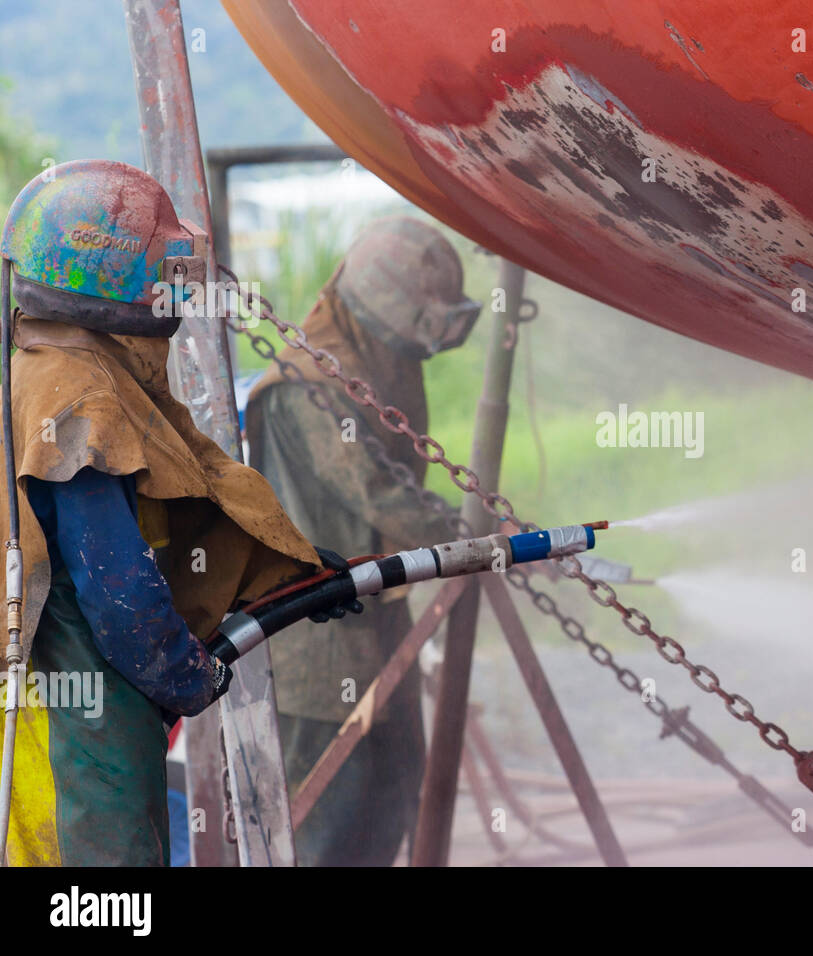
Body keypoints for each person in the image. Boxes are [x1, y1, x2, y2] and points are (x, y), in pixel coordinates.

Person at [0, 159, 323, 866]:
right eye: (164, 273)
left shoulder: (45, 364)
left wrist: (296, 578)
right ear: (117, 279)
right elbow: (119, 594)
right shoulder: (80, 396)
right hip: (87, 711)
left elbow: (172, 509)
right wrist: (189, 673)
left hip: (58, 694)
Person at [245, 215, 479, 866]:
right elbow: (378, 492)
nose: (423, 351)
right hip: (317, 643)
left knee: (395, 792)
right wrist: (482, 540)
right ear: (384, 313)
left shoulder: (378, 362)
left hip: (378, 622)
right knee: (330, 819)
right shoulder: (310, 386)